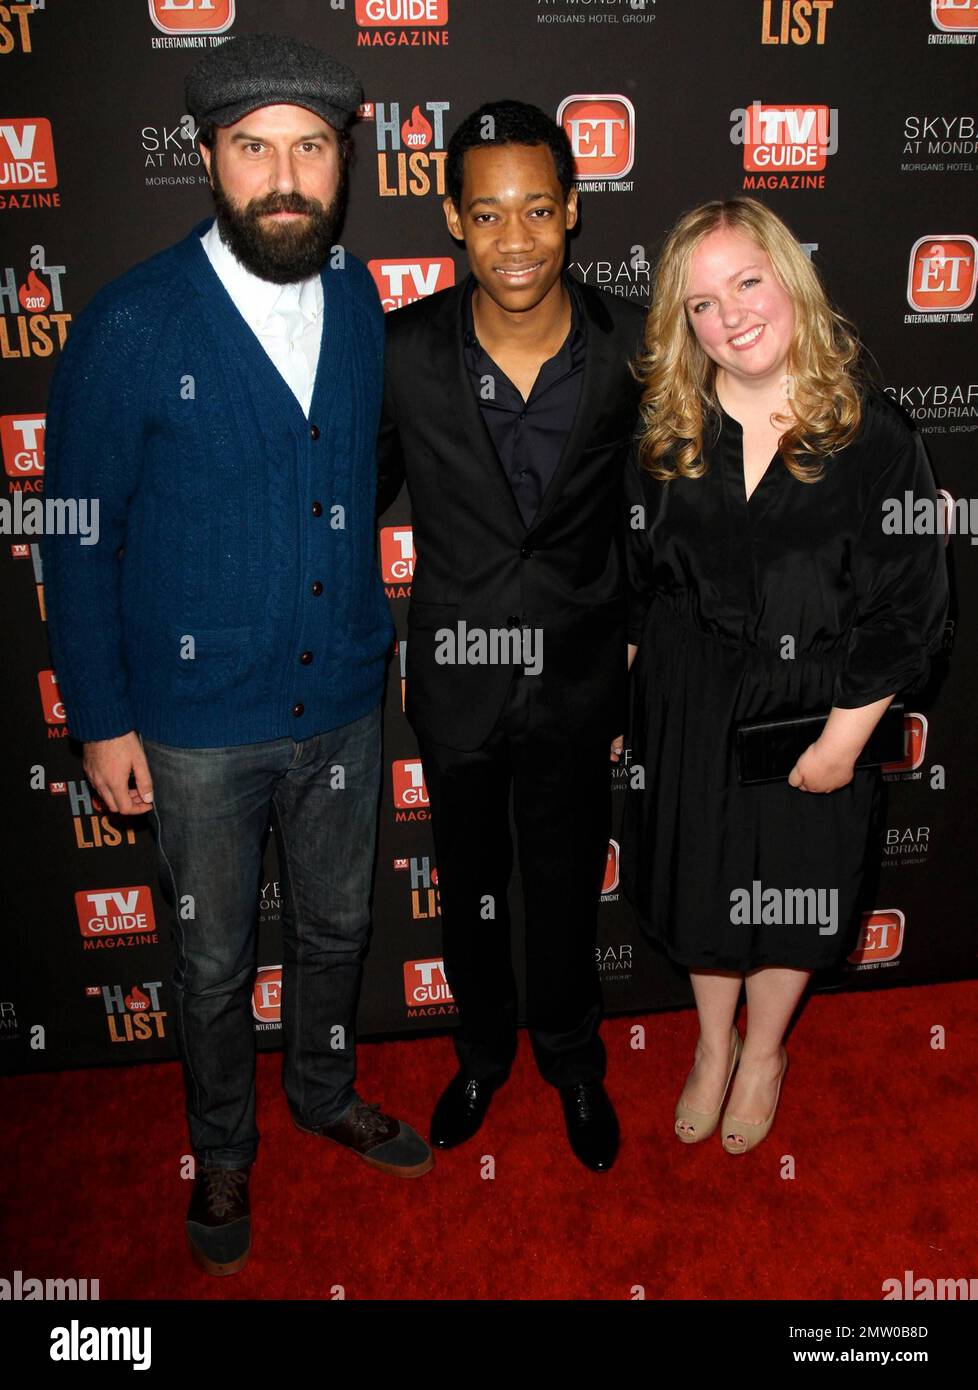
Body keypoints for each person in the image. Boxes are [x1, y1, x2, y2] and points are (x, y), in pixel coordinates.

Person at [42, 33, 432, 1279]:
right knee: (210, 962)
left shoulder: (364, 300)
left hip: (341, 704)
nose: (283, 175)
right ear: (208, 159)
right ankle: (222, 1146)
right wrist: (102, 720)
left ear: (343, 162)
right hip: (195, 728)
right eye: (254, 146)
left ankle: (321, 1092)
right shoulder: (131, 321)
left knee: (336, 928)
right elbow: (75, 532)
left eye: (309, 147)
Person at [621, 196, 949, 1155]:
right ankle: (712, 1045)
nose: (730, 317)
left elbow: (911, 609)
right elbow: (636, 588)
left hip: (816, 713)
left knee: (794, 894)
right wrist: (632, 706)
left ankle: (764, 1052)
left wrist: (845, 744)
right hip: (686, 708)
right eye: (701, 305)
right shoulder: (665, 431)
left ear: (791, 280)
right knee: (699, 887)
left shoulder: (875, 436)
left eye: (747, 283)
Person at [376, 100, 646, 1172]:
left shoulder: (631, 345)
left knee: (569, 877)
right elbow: (351, 492)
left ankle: (573, 1057)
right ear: (452, 217)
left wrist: (639, 625)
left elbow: (662, 504)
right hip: (459, 680)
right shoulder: (401, 352)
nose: (517, 238)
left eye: (538, 209)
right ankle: (483, 1049)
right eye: (488, 214)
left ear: (573, 210)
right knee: (471, 875)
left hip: (579, 679)